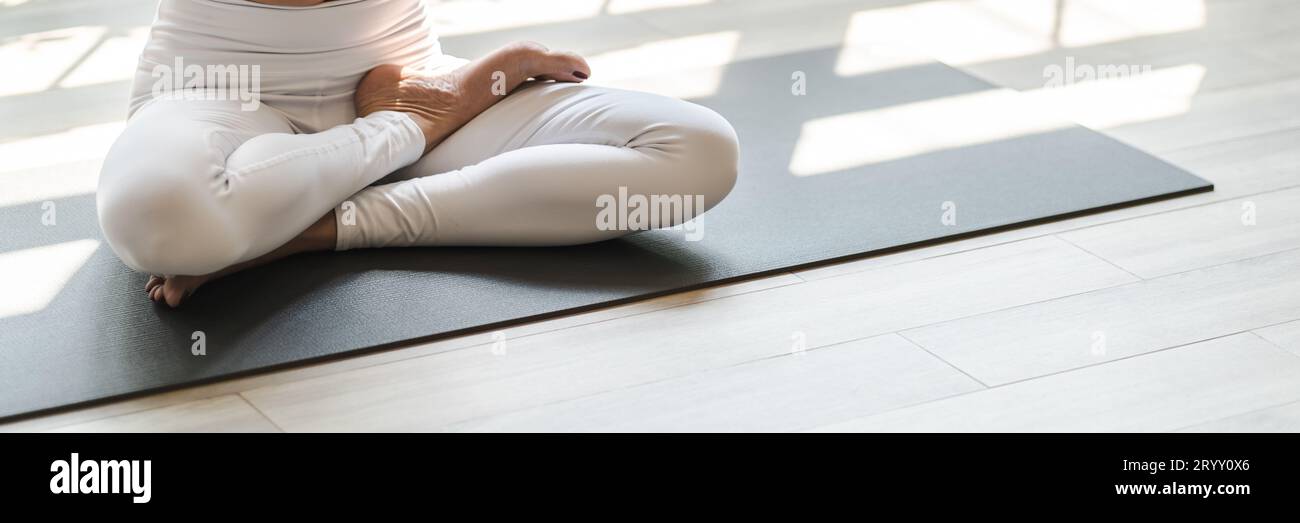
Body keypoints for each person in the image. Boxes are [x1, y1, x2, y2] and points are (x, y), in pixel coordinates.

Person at [96, 0, 740, 307]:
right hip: (216, 87)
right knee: (161, 220)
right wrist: (408, 125)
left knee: (699, 154)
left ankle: (307, 230)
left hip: (403, 69)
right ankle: (401, 131)